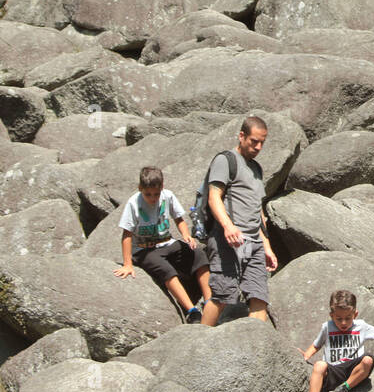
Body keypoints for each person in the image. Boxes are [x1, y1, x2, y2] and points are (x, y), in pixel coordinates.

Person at [199, 117, 277, 327]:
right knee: (222, 296)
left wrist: (267, 246)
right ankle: (196, 342)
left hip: (255, 243)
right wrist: (227, 226)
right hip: (228, 240)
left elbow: (257, 210)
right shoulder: (226, 160)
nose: (258, 147)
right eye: (254, 141)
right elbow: (214, 196)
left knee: (259, 298)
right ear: (241, 136)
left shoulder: (257, 169)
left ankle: (255, 348)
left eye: (262, 142)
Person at [113, 166, 211, 323]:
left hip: (167, 242)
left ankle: (209, 301)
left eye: (156, 194)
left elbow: (179, 218)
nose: (152, 198)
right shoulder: (133, 203)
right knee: (166, 269)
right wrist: (127, 264)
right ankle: (191, 310)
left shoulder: (168, 196)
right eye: (148, 194)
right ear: (140, 189)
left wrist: (186, 235)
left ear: (162, 187)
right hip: (145, 250)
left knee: (198, 254)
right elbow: (127, 235)